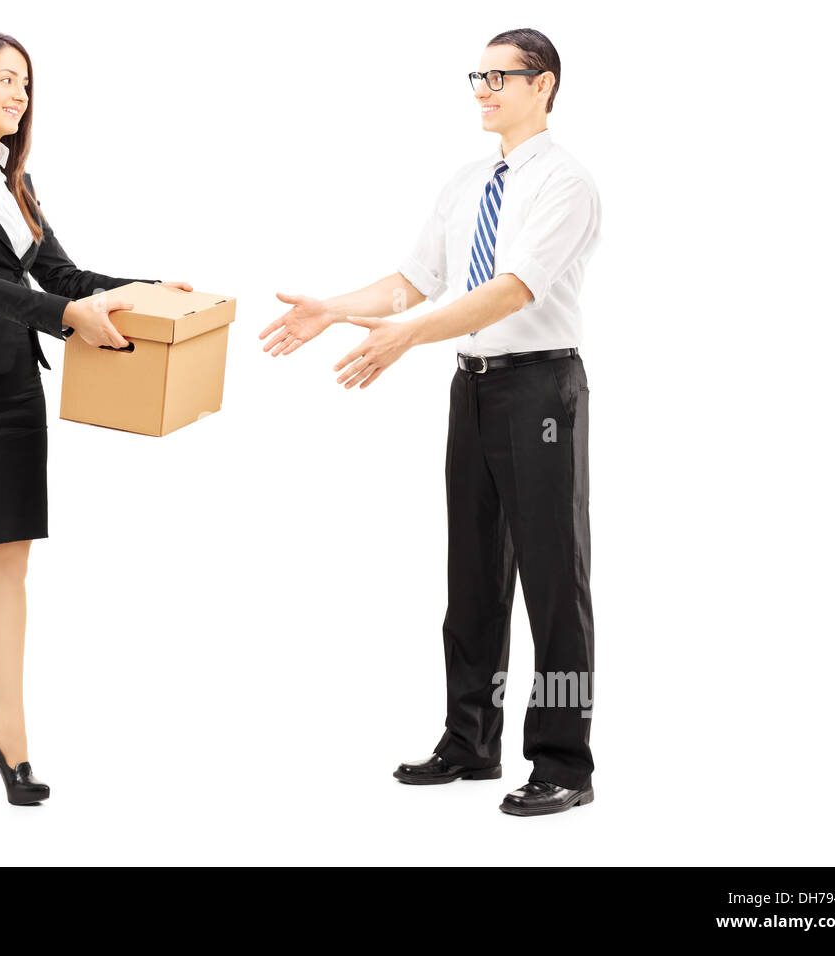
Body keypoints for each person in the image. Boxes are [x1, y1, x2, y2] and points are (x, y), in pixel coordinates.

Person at [260, 28, 601, 816]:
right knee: (474, 572)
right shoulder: (467, 180)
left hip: (542, 390)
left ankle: (564, 761)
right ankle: (471, 739)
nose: (482, 88)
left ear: (542, 84)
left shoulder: (566, 183)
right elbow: (417, 280)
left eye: (499, 76)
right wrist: (335, 309)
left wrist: (410, 336)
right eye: (476, 75)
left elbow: (513, 290)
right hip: (474, 388)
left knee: (554, 581)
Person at [0, 32, 191, 808]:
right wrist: (69, 316)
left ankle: (9, 736)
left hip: (15, 388)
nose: (21, 96)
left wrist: (153, 290)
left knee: (11, 565)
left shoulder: (13, 180)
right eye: (7, 80)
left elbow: (62, 276)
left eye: (27, 84)